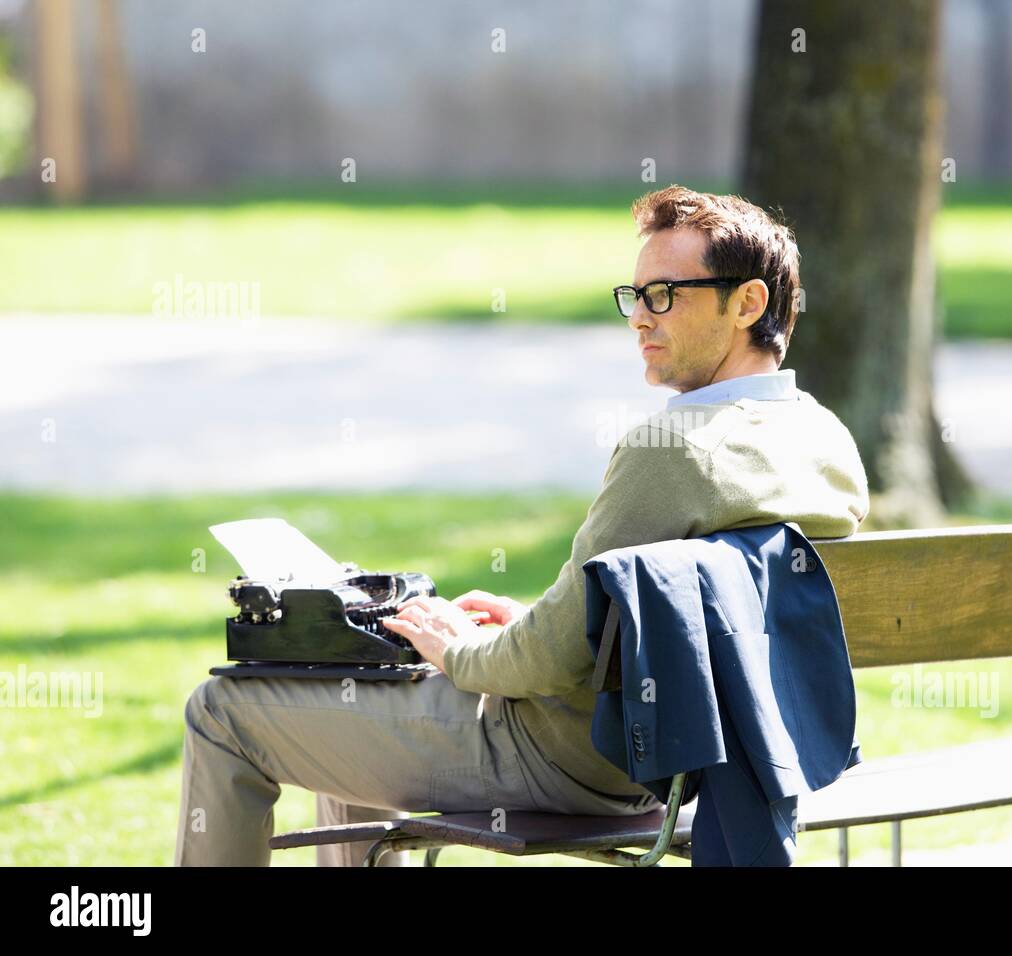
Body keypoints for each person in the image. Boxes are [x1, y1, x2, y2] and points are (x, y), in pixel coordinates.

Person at [174, 184, 869, 866]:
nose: (639, 318)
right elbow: (694, 603)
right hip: (702, 756)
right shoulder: (826, 442)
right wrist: (541, 618)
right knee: (364, 690)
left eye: (664, 294)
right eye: (635, 296)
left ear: (748, 302)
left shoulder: (676, 450)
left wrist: (459, 652)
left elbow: (543, 663)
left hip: (575, 760)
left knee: (223, 708)